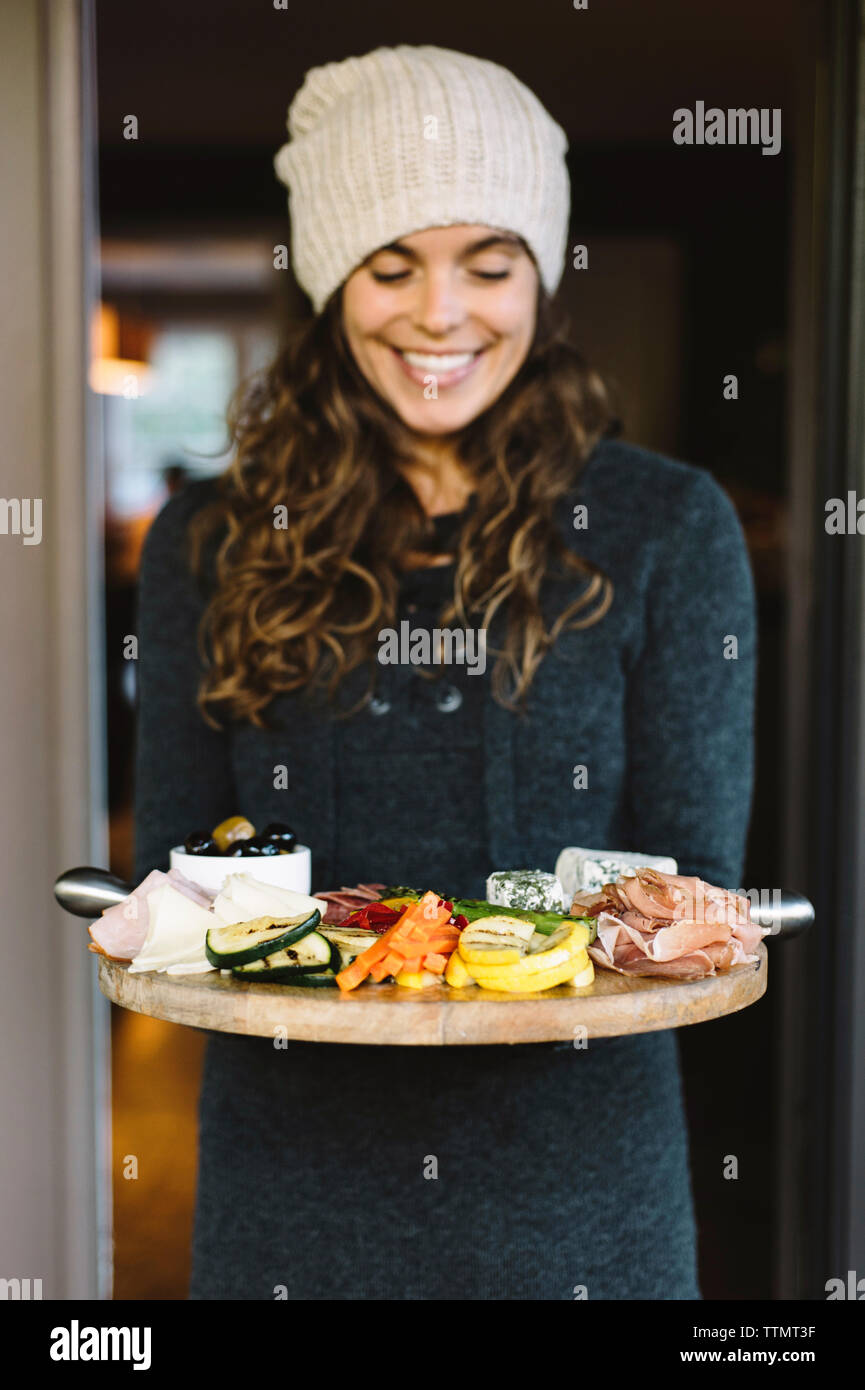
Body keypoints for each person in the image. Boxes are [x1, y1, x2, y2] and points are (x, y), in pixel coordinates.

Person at [134, 45, 755, 1300]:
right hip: (290, 1200)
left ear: (540, 276)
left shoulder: (664, 529)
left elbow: (700, 906)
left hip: (585, 1206)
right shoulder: (207, 542)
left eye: (489, 262)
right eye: (390, 263)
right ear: (329, 280)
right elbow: (180, 878)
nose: (439, 314)